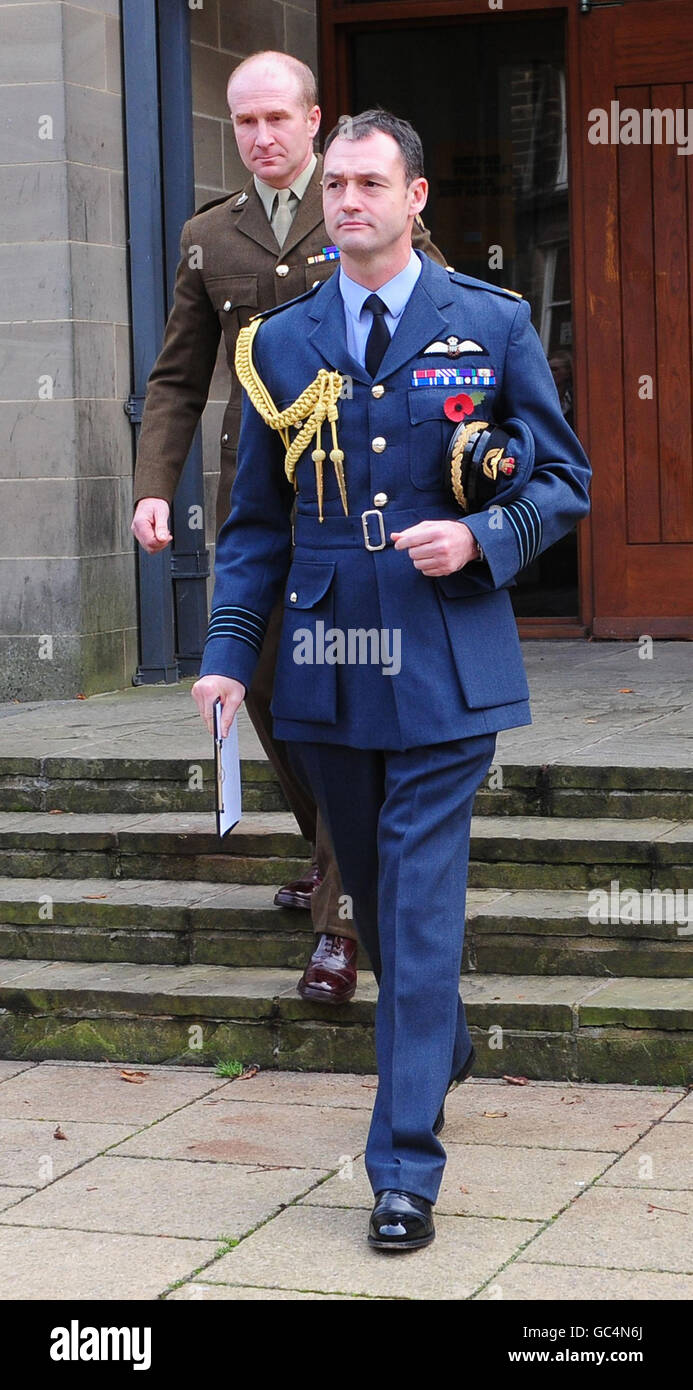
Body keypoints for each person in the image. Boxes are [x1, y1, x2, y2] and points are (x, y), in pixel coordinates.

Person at [190, 109, 591, 1250]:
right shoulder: (277, 343)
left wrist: (484, 539)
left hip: (446, 662)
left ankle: (402, 1167)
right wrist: (227, 657)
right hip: (321, 663)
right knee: (366, 885)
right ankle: (439, 1040)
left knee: (414, 913)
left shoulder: (491, 322)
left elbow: (564, 480)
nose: (350, 200)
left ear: (417, 198)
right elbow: (256, 524)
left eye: (372, 182)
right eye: (339, 184)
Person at [131, 52, 446, 1006]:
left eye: (278, 118)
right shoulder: (207, 237)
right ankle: (337, 845)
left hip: (360, 500)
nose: (262, 138)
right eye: (244, 123)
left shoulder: (365, 201)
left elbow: (430, 328)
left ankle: (339, 929)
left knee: (342, 697)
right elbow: (180, 377)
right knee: (263, 688)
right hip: (260, 503)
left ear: (314, 120)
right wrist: (155, 482)